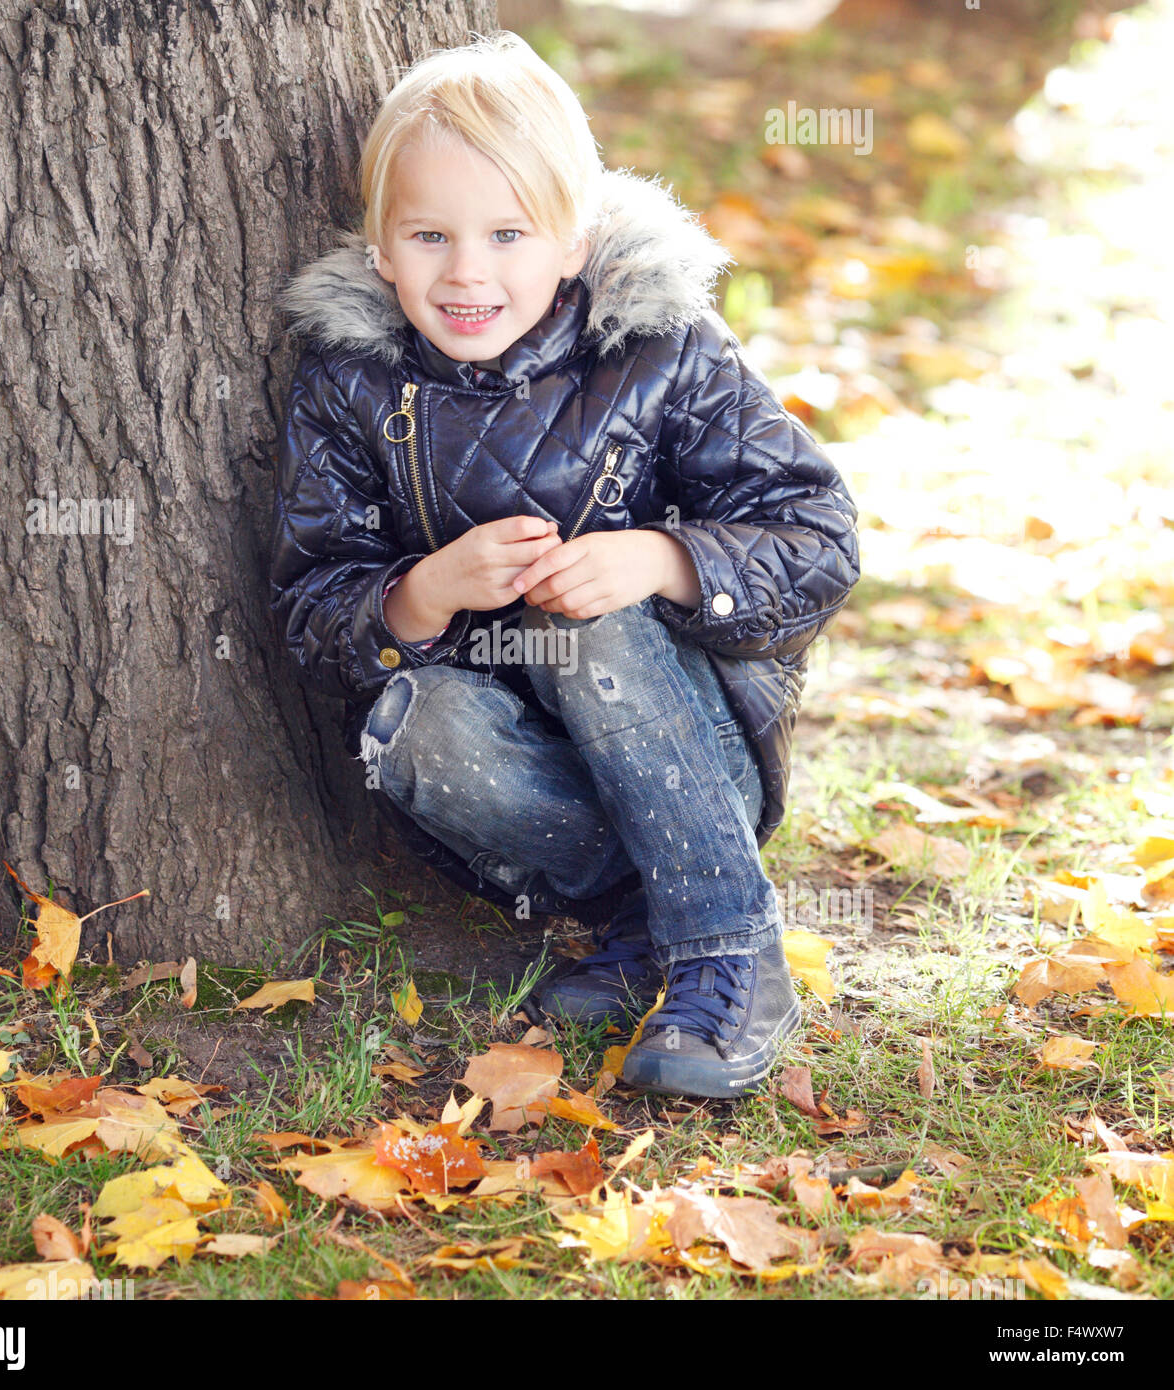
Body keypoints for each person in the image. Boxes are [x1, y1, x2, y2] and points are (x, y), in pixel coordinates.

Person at [269, 31, 860, 1099]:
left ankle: (731, 950)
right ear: (380, 249)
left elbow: (818, 532)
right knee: (415, 728)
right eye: (430, 235)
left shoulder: (655, 345)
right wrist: (423, 591)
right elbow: (311, 602)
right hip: (532, 759)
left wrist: (659, 559)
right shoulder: (350, 380)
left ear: (573, 241)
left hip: (689, 739)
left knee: (581, 620)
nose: (468, 272)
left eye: (507, 232)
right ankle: (645, 922)